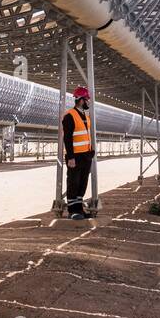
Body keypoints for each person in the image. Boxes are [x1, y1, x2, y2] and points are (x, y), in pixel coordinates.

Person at [61, 86, 94, 219]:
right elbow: (67, 138)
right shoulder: (70, 115)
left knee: (82, 183)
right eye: (87, 99)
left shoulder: (85, 116)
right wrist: (70, 157)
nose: (88, 102)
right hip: (75, 156)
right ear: (81, 100)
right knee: (73, 183)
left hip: (86, 155)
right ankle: (72, 211)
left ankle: (80, 209)